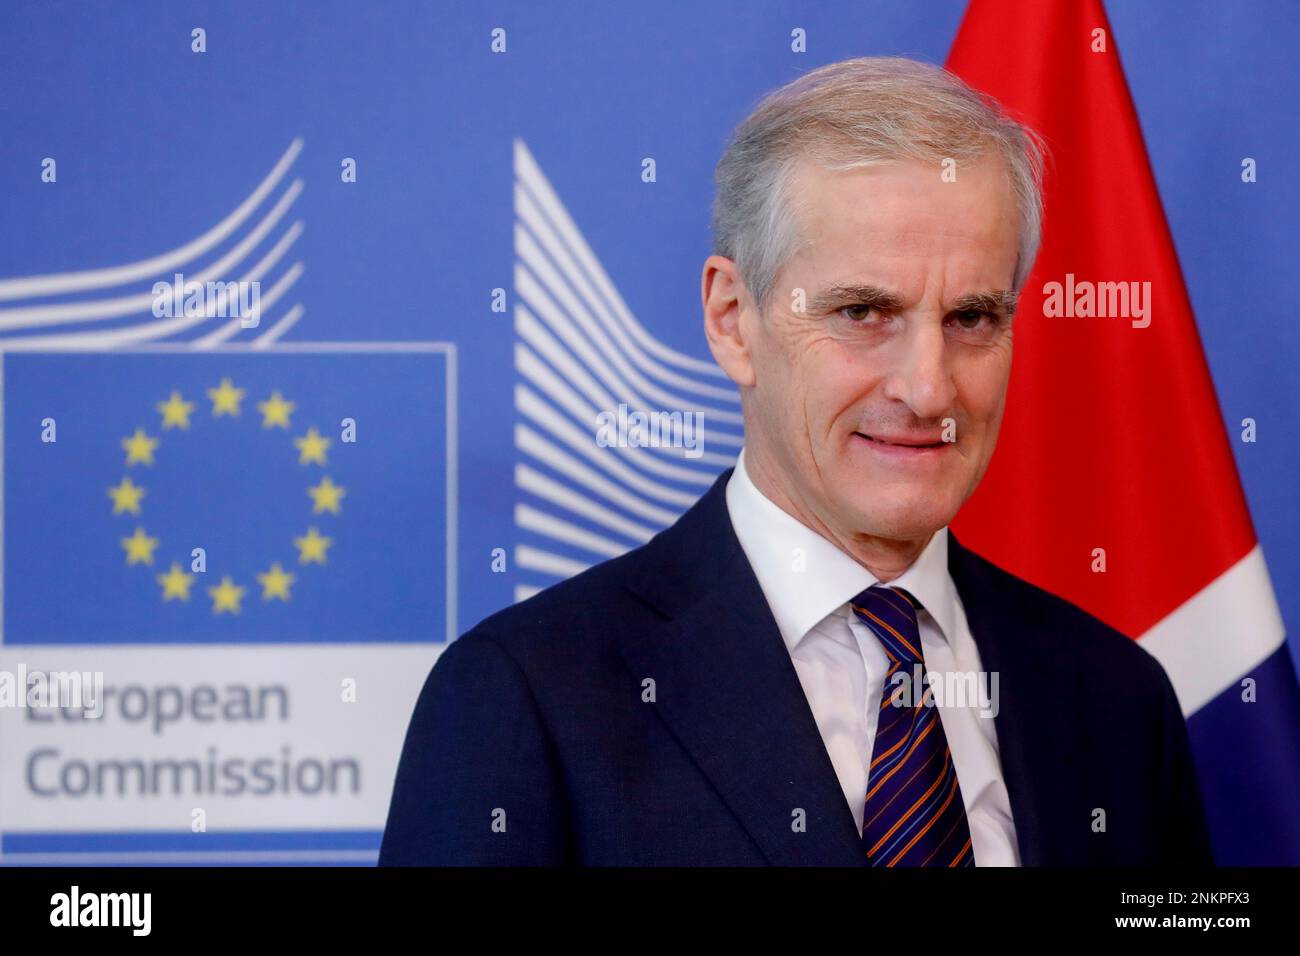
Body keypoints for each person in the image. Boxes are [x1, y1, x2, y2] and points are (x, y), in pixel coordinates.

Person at [380, 56, 1213, 866]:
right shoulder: (529, 698)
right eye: (863, 311)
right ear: (733, 320)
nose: (928, 390)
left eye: (971, 319)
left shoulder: (1115, 697)